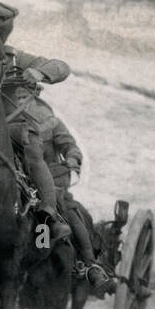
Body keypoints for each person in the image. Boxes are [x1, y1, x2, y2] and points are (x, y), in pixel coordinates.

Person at [0, 0, 72, 243]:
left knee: (31, 146)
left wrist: (40, 72)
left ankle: (49, 214)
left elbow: (61, 66)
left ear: (3, 31)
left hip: (3, 124)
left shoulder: (15, 58)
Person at [39, 108, 112, 292]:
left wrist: (72, 158)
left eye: (24, 95)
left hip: (52, 183)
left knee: (69, 211)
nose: (21, 99)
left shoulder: (48, 120)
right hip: (19, 182)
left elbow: (70, 146)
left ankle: (90, 265)